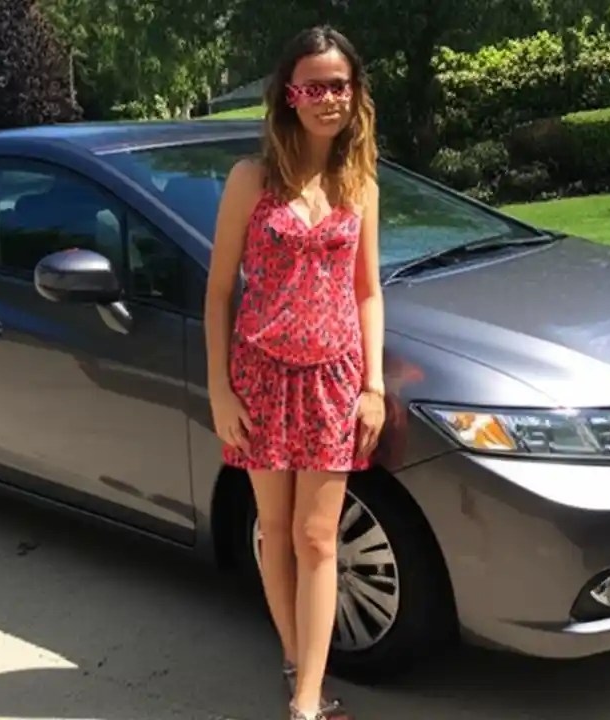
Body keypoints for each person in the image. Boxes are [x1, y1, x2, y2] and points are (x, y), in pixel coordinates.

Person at [203, 25, 385, 720]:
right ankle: (294, 661)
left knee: (317, 537)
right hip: (260, 375)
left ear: (353, 93)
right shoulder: (252, 180)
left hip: (334, 380)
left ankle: (306, 701)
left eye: (339, 85)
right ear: (288, 94)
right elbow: (219, 291)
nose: (327, 98)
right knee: (274, 530)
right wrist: (220, 387)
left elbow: (368, 290)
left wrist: (372, 386)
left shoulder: (360, 182)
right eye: (312, 85)